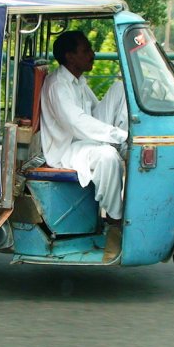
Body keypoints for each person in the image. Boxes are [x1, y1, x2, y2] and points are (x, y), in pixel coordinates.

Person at [40, 31, 128, 224]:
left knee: (121, 88)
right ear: (70, 57)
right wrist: (118, 135)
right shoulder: (58, 85)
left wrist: (119, 136)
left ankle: (126, 146)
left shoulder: (78, 81)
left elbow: (95, 111)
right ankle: (115, 217)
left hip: (82, 139)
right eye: (86, 50)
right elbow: (76, 122)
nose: (92, 54)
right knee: (108, 157)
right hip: (65, 149)